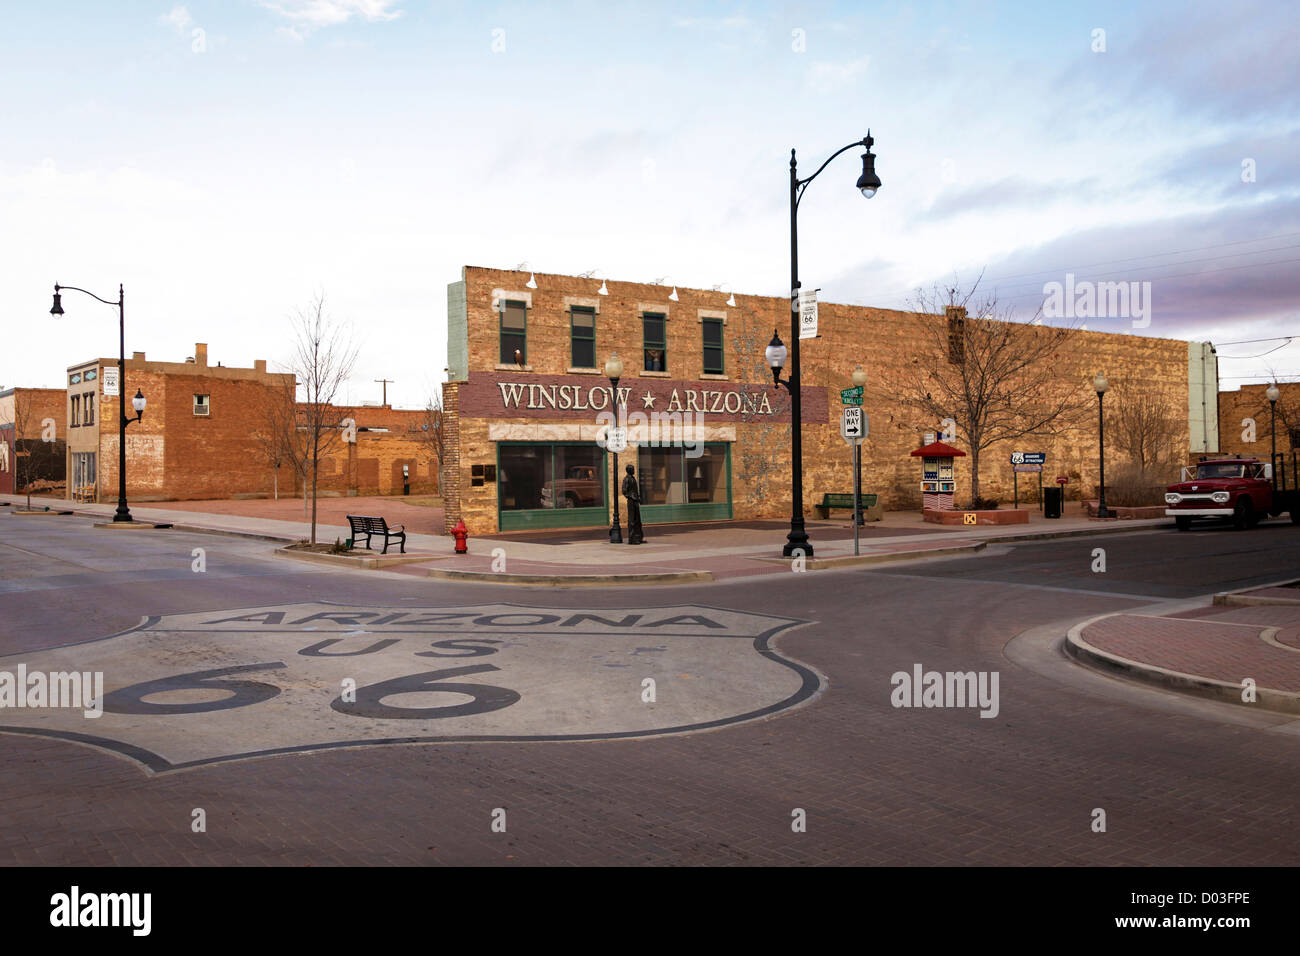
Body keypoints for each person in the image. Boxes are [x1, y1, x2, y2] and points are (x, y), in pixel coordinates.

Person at [622, 464, 644, 544]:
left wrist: (638, 497)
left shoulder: (633, 478)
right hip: (631, 501)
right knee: (632, 520)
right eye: (633, 469)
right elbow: (624, 491)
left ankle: (639, 537)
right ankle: (632, 539)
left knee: (638, 520)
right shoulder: (626, 479)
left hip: (635, 501)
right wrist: (631, 496)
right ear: (629, 470)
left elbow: (635, 490)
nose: (634, 470)